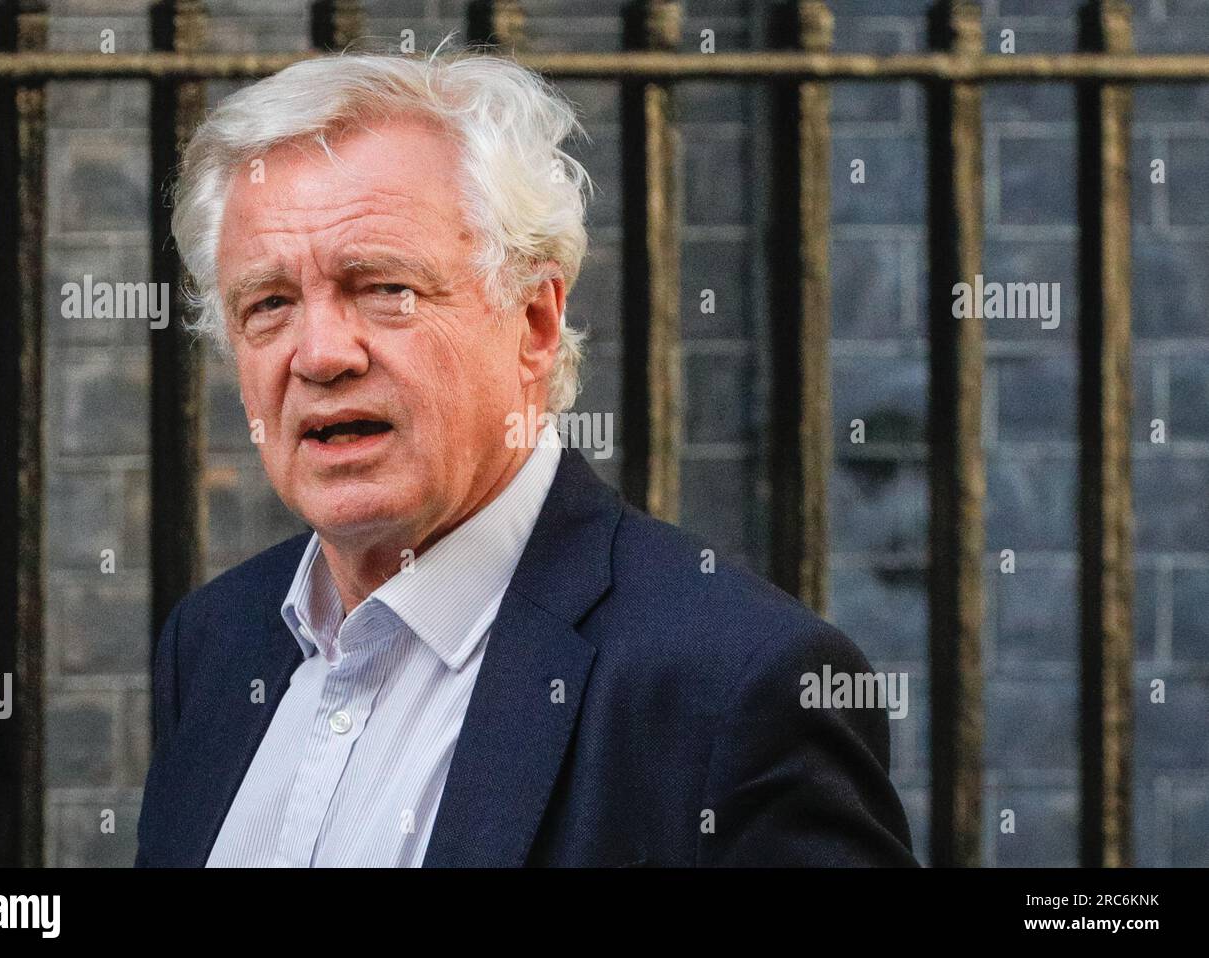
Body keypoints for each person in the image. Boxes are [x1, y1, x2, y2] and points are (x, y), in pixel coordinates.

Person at [134, 46, 918, 868]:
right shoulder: (215, 642)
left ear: (536, 324)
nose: (322, 353)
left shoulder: (732, 685)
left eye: (384, 287)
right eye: (269, 304)